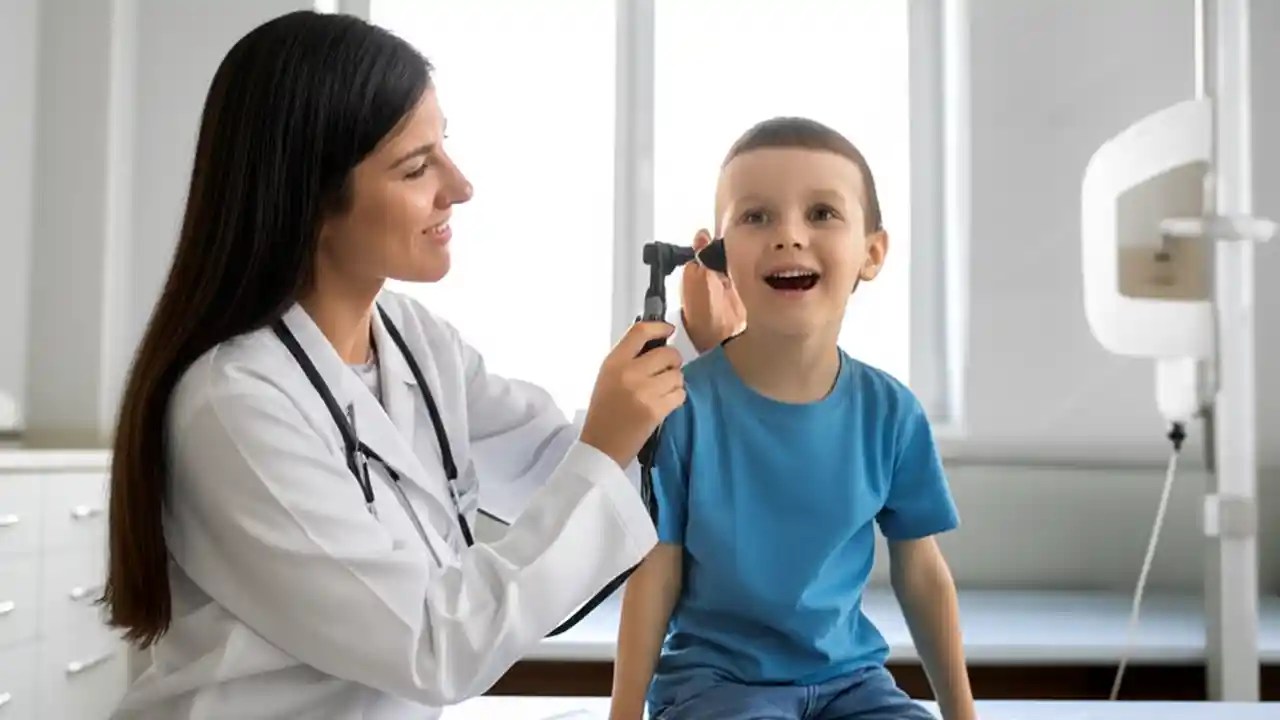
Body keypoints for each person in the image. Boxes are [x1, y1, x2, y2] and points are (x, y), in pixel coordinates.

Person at [102, 11, 741, 719]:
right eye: (415, 167)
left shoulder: (411, 339)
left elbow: (556, 464)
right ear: (309, 199)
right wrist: (609, 441)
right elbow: (436, 647)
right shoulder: (235, 406)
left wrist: (693, 345)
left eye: (444, 149)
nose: (459, 187)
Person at [609, 117, 976, 720]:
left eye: (822, 214)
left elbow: (922, 573)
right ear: (718, 256)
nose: (789, 236)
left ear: (872, 252)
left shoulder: (892, 414)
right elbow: (656, 571)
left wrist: (963, 716)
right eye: (756, 217)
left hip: (852, 684)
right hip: (715, 685)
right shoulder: (681, 408)